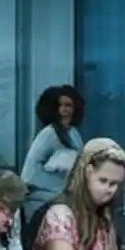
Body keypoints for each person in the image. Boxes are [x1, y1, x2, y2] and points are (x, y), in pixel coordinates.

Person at [21, 84, 85, 220]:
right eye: (60, 105)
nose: (64, 109)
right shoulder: (48, 133)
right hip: (43, 199)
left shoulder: (74, 134)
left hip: (66, 197)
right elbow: (29, 171)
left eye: (68, 105)